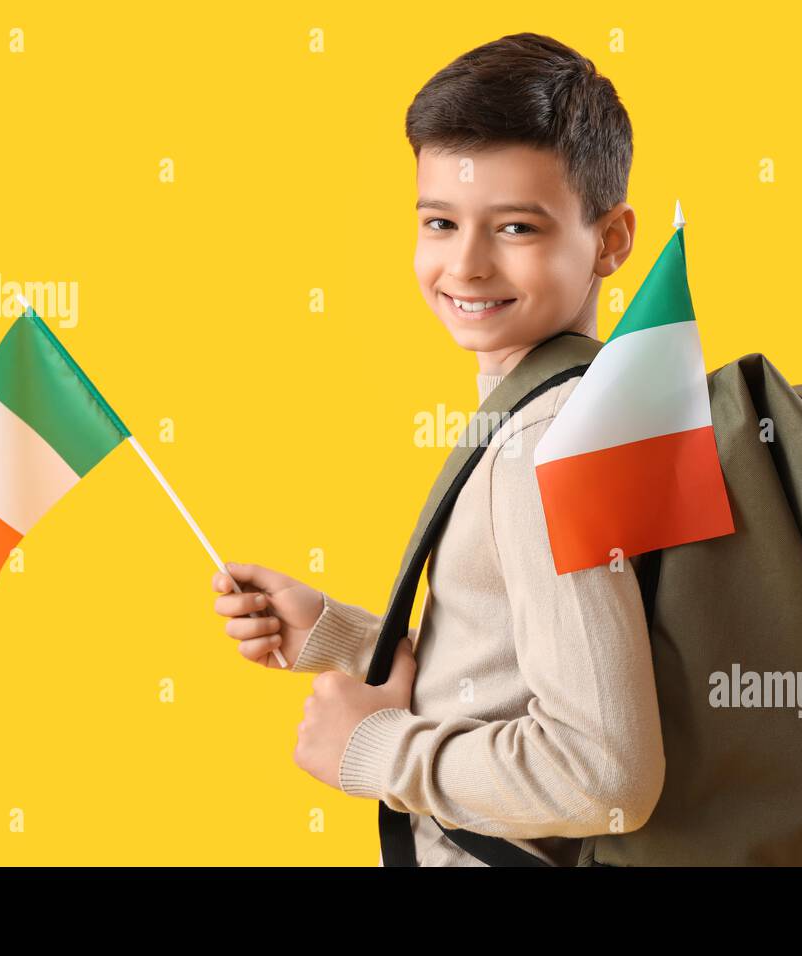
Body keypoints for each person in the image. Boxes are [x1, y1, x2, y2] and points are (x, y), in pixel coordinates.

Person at [212, 32, 664, 866]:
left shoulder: (540, 446)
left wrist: (377, 748)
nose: (466, 263)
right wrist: (343, 639)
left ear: (610, 240)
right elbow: (517, 664)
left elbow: (607, 775)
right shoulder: (579, 405)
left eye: (516, 227)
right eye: (441, 222)